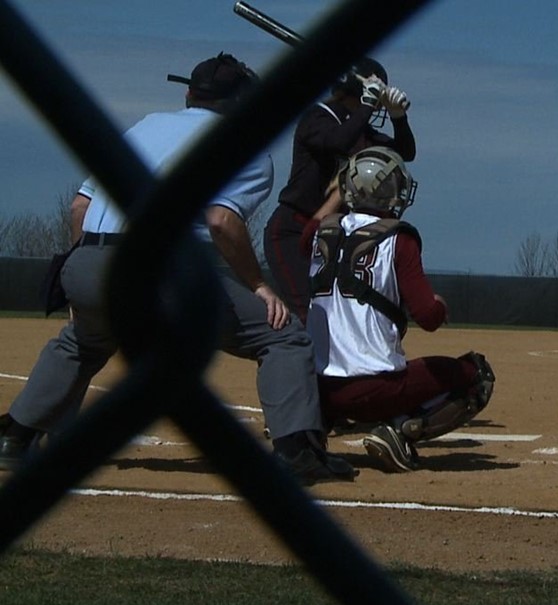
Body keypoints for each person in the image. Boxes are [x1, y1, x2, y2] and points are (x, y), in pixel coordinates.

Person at [0, 52, 357, 485]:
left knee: (84, 341)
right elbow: (221, 221)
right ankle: (298, 453)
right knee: (282, 337)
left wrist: (86, 273)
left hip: (89, 260)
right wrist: (260, 285)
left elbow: (80, 206)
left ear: (189, 93)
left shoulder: (145, 127)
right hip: (162, 268)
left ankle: (14, 439)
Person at [304, 146, 494, 472]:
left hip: (314, 388)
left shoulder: (318, 232)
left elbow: (315, 223)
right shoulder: (399, 239)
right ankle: (400, 432)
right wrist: (438, 305)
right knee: (476, 373)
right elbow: (427, 318)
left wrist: (339, 193)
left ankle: (312, 431)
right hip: (374, 390)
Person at [264, 58, 416, 323]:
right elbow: (338, 142)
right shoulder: (317, 118)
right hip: (293, 228)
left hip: (331, 236)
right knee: (308, 310)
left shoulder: (359, 129)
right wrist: (368, 104)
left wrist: (398, 117)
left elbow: (405, 153)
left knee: (336, 316)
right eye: (372, 100)